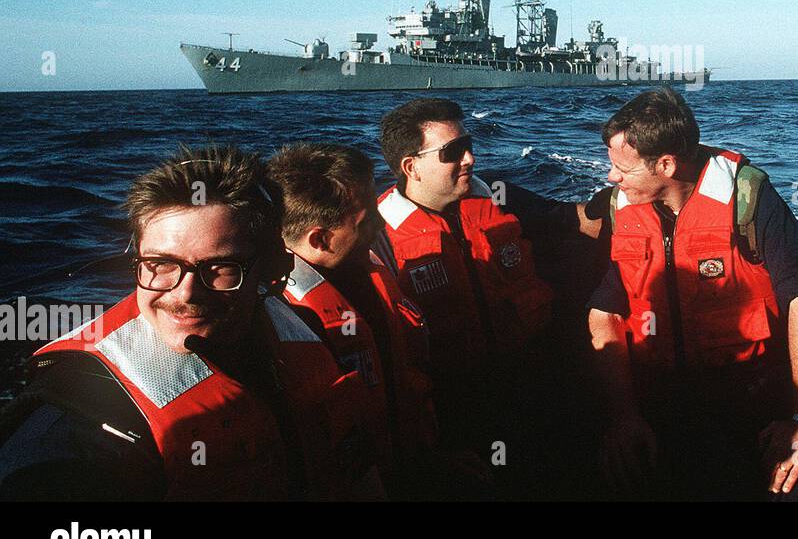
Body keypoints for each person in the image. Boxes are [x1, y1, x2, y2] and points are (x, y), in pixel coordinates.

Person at [0, 145, 383, 501]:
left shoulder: (302, 331)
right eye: (161, 264)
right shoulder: (79, 419)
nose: (184, 294)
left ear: (273, 270)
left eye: (219, 268)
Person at [587, 87, 798, 500]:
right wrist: (624, 415)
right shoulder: (620, 208)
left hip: (751, 402)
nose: (612, 178)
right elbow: (603, 312)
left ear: (665, 164)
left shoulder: (749, 200)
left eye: (622, 169)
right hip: (660, 404)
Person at [376, 97, 597, 497]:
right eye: (453, 152)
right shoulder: (379, 238)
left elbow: (574, 220)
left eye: (469, 145)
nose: (470, 159)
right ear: (412, 167)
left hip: (532, 384)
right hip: (457, 412)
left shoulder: (496, 196)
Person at [268, 142, 443, 498]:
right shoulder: (283, 323)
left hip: (411, 465)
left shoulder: (369, 271)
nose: (381, 221)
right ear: (320, 239)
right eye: (366, 219)